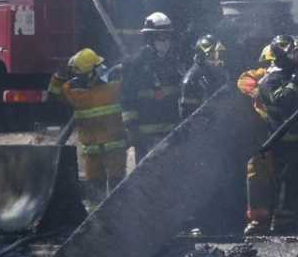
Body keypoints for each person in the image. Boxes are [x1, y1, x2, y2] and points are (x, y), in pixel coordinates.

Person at [47, 48, 127, 202]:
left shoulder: (113, 86)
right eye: (76, 75)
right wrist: (59, 76)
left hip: (114, 149)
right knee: (95, 194)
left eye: (81, 75)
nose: (78, 78)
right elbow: (53, 96)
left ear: (93, 71)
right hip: (93, 153)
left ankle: (117, 220)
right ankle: (95, 222)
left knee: (118, 191)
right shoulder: (75, 91)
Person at [257, 35, 298, 234]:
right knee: (287, 183)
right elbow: (282, 101)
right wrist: (296, 82)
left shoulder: (296, 73)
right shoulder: (269, 80)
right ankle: (281, 225)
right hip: (283, 142)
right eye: (294, 51)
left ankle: (295, 221)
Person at [121, 13, 184, 162]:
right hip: (146, 136)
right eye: (161, 37)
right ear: (150, 38)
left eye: (168, 37)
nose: (166, 42)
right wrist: (132, 129)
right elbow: (127, 99)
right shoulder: (135, 64)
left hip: (171, 133)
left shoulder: (174, 62)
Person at [237, 43, 278, 236]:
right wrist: (262, 89)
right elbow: (243, 82)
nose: (272, 66)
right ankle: (258, 220)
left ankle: (282, 219)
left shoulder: (295, 77)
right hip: (263, 135)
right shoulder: (259, 76)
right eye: (269, 62)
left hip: (288, 135)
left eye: (275, 62)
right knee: (256, 175)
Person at [179, 34, 227, 119]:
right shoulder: (191, 79)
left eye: (220, 54)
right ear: (201, 56)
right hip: (205, 129)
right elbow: (188, 118)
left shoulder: (221, 74)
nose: (218, 58)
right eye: (213, 55)